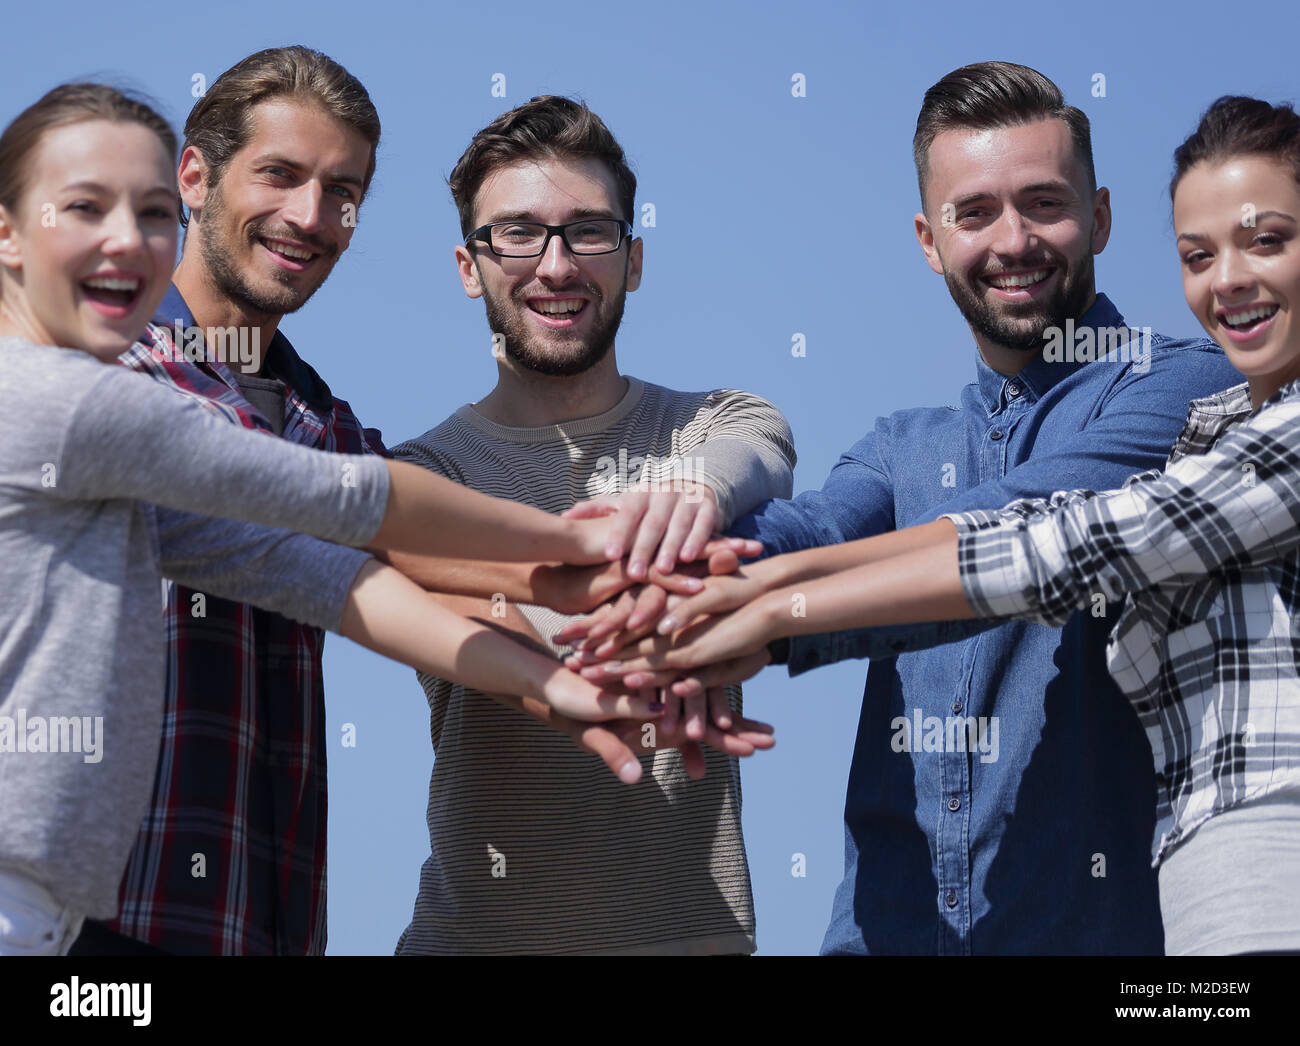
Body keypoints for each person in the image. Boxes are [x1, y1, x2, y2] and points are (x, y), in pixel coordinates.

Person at [582, 94, 1300, 957]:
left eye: (1044, 203)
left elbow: (1030, 532)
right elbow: (808, 531)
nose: (1012, 242)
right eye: (975, 213)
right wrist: (665, 578)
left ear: (1101, 217)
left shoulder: (1186, 393)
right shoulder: (900, 447)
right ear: (930, 240)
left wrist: (761, 616)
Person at [0, 83, 665, 956]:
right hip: (102, 920)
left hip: (221, 921)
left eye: (343, 193)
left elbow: (331, 575)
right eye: (279, 174)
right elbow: (344, 501)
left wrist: (565, 677)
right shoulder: (92, 397)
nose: (311, 215)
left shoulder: (323, 422)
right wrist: (575, 541)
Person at [387, 96, 796, 955]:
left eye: (589, 232)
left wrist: (685, 501)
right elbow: (458, 613)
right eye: (518, 234)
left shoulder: (714, 424)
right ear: (470, 265)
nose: (557, 264)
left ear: (634, 259)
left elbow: (748, 458)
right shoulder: (427, 476)